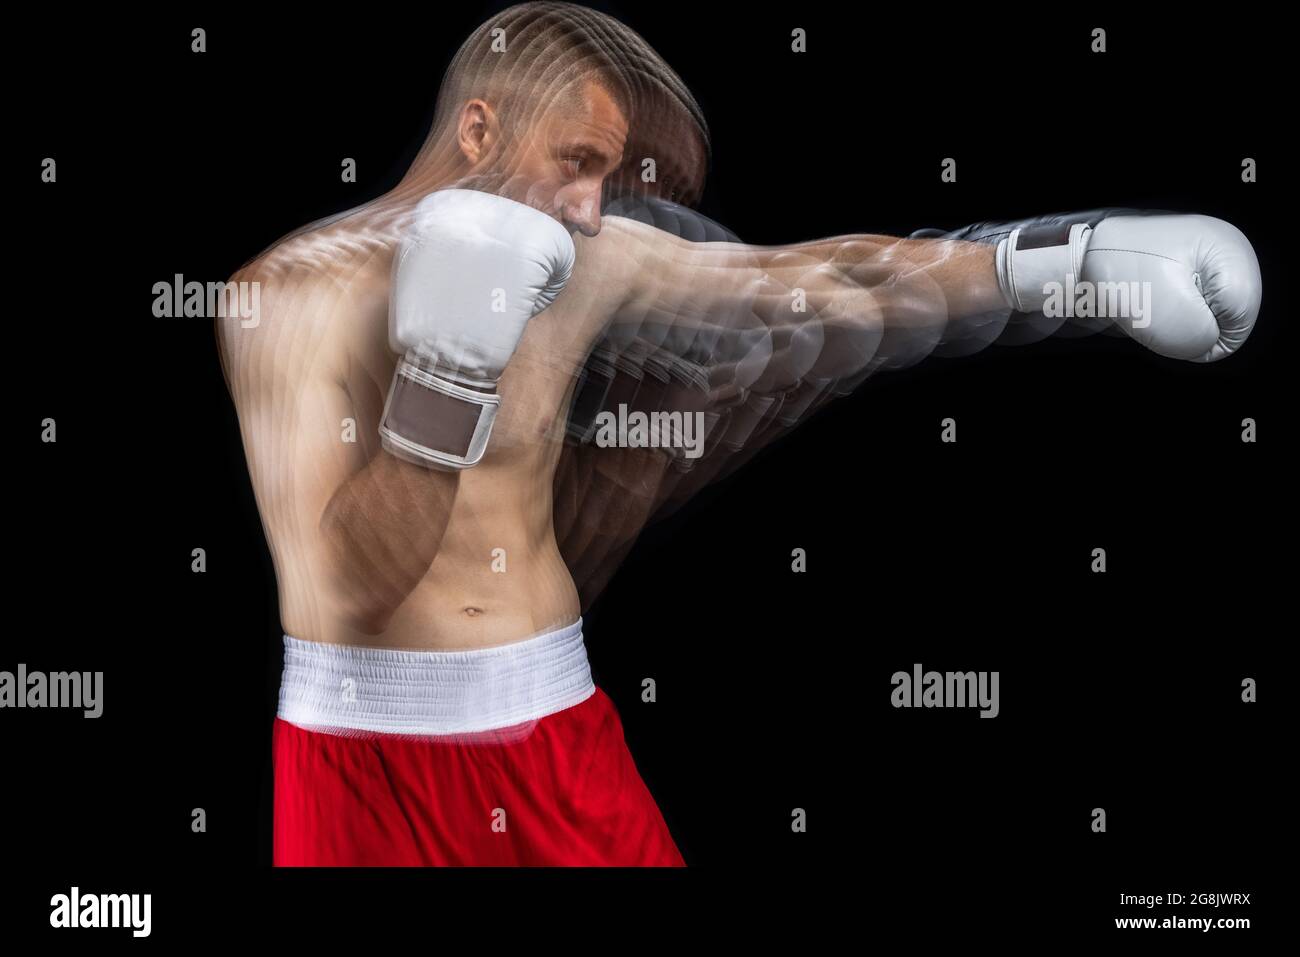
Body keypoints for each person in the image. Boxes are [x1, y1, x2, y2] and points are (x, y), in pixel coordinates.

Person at [215, 2, 1261, 866]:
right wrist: (448, 373)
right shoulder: (290, 297)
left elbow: (814, 285)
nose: (587, 211)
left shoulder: (592, 261)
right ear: (479, 131)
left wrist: (1063, 266)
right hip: (369, 765)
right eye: (575, 163)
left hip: (558, 729)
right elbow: (352, 587)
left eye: (607, 177)